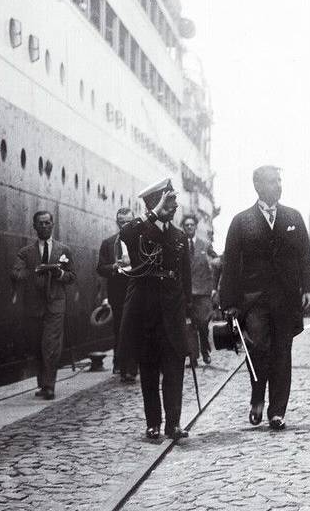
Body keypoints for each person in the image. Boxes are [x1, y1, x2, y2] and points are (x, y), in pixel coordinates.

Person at [219, 165, 310, 431]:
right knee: (258, 349)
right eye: (272, 181)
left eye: (279, 181)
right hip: (254, 300)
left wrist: (309, 289)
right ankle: (257, 397)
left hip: (286, 299)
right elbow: (231, 264)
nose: (278, 186)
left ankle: (277, 411)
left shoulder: (293, 217)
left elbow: (305, 257)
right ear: (258, 186)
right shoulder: (241, 221)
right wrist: (229, 303)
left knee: (282, 352)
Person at [119, 179, 192, 440]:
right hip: (146, 314)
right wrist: (154, 212)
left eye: (174, 201)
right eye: (169, 201)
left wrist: (188, 315)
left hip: (172, 314)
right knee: (148, 371)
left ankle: (173, 424)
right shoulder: (139, 231)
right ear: (156, 203)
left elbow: (185, 278)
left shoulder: (179, 236)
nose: (175, 206)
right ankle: (153, 423)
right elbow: (125, 234)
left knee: (174, 371)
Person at [11, 210, 77, 400]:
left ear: (52, 225)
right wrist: (33, 272)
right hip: (33, 306)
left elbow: (72, 276)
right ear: (34, 226)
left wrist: (59, 274)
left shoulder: (64, 250)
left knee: (50, 345)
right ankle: (42, 384)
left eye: (48, 223)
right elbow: (15, 273)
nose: (45, 226)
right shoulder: (25, 252)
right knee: (37, 345)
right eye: (41, 223)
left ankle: (49, 387)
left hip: (55, 305)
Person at [97, 207, 137, 382]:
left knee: (136, 328)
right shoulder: (108, 243)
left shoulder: (142, 241)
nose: (125, 225)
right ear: (117, 223)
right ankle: (121, 365)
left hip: (137, 289)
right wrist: (114, 266)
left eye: (129, 222)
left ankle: (132, 367)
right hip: (118, 291)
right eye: (122, 223)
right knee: (120, 328)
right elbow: (100, 268)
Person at [181, 213, 215, 366]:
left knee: (203, 323)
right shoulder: (179, 245)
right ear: (183, 227)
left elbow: (216, 263)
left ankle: (205, 349)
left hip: (202, 292)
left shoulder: (205, 244)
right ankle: (193, 357)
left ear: (195, 226)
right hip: (186, 292)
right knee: (190, 325)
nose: (189, 227)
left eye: (191, 225)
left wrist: (213, 288)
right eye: (186, 225)